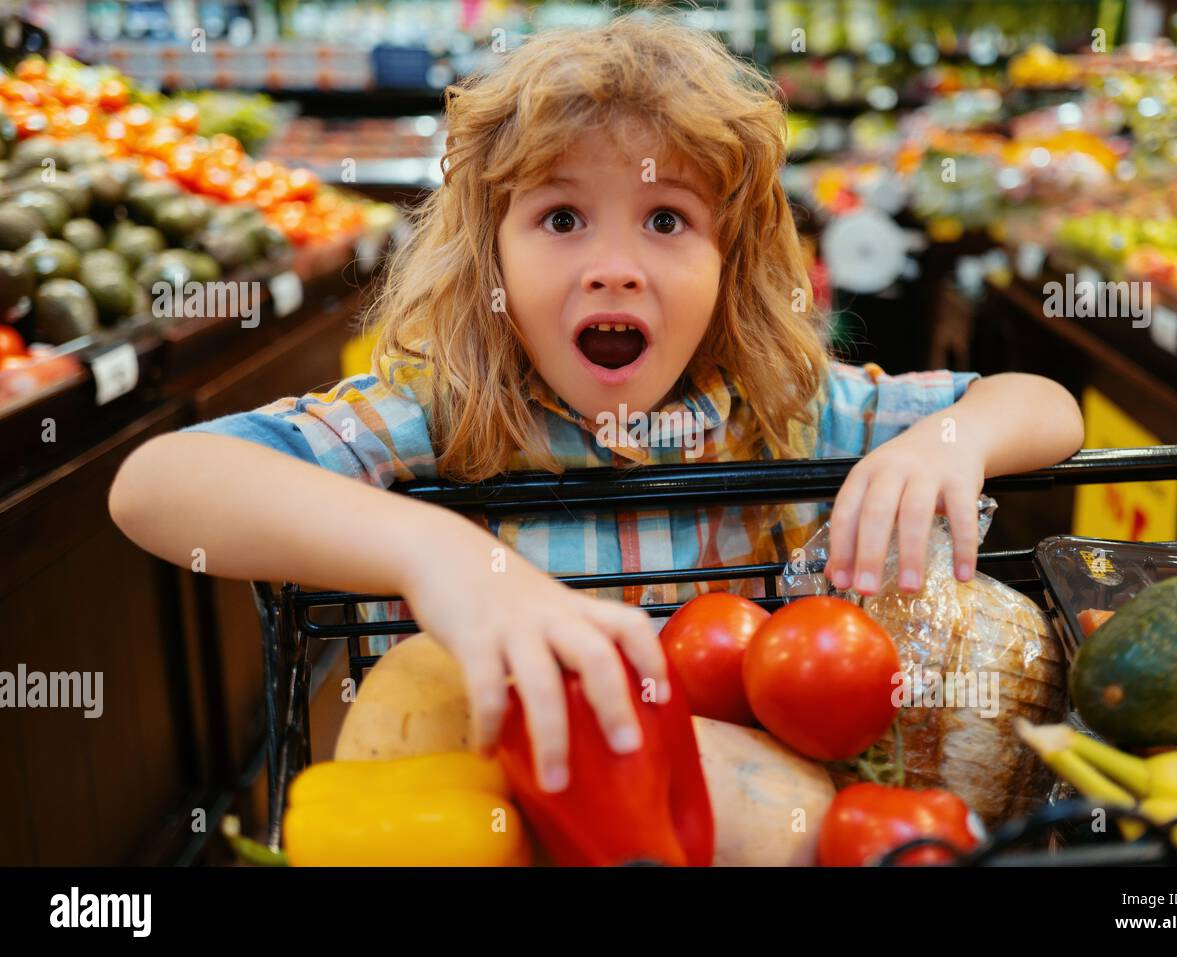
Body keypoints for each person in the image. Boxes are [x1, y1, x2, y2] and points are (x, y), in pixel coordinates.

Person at [109, 14, 1084, 794]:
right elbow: (157, 485)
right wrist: (446, 555)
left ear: (729, 266)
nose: (613, 269)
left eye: (667, 221)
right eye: (560, 218)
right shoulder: (440, 417)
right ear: (490, 255)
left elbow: (1043, 403)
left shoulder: (788, 409)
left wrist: (947, 442)